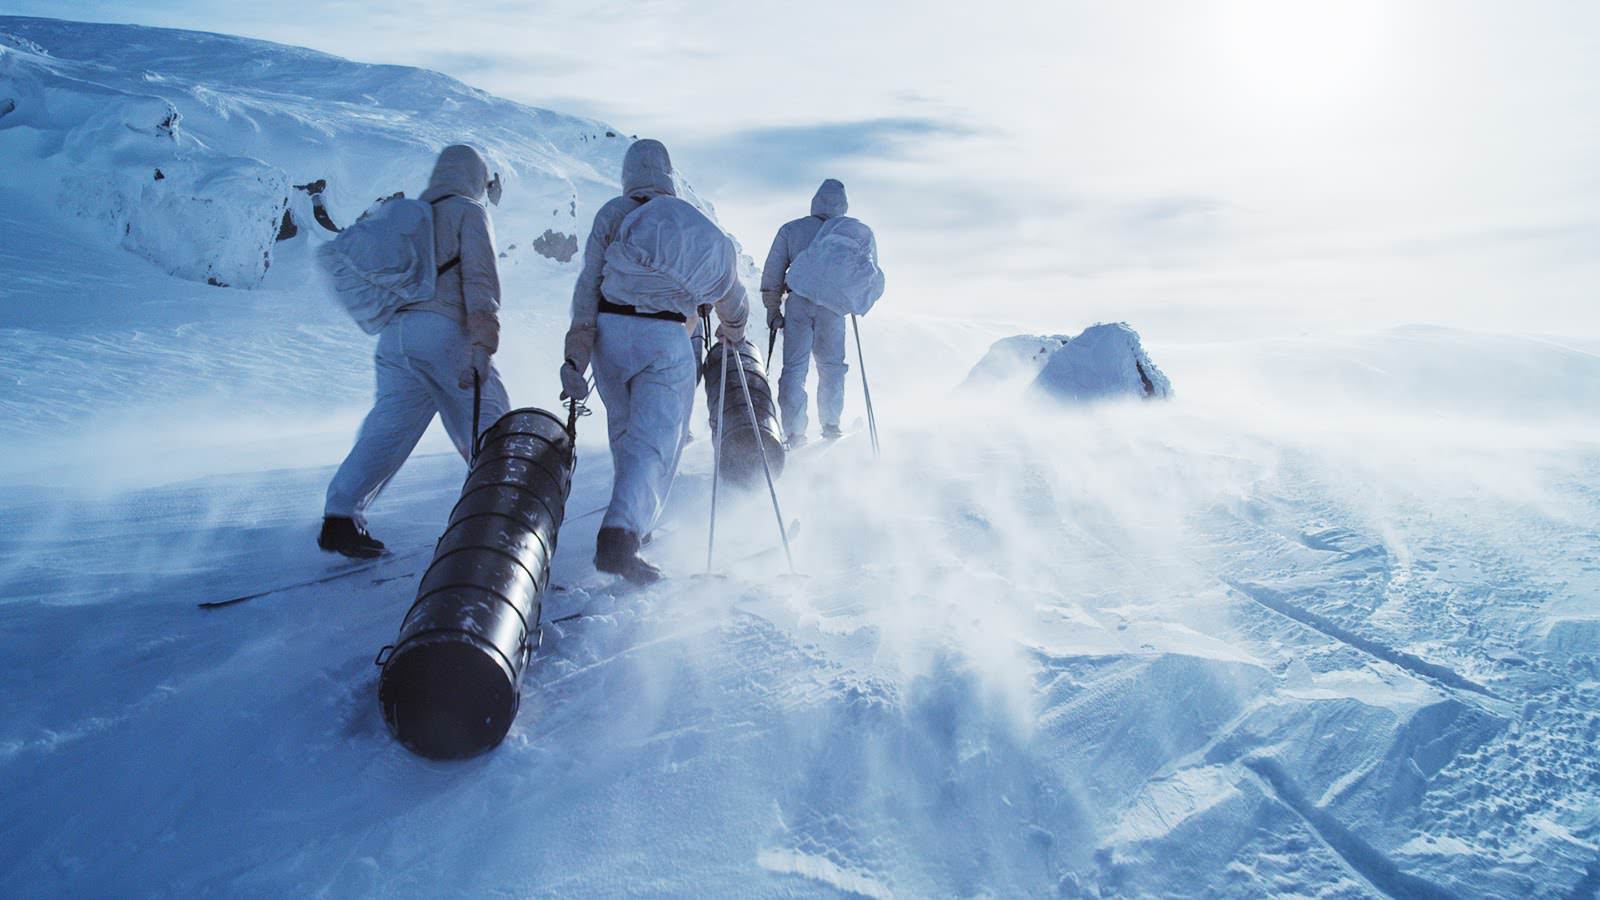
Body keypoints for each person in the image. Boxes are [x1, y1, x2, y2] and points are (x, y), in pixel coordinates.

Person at [559, 139, 748, 583]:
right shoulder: (689, 223)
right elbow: (727, 289)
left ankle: (633, 527)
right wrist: (734, 329)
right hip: (664, 336)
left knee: (625, 433)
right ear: (668, 173)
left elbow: (588, 285)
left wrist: (576, 355)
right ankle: (622, 534)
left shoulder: (612, 213)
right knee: (657, 442)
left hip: (608, 335)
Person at [319, 144, 509, 558]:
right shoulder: (468, 211)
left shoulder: (408, 216)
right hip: (444, 331)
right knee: (490, 420)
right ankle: (504, 517)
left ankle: (340, 516)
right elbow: (479, 281)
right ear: (477, 177)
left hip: (395, 334)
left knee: (387, 429)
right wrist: (483, 342)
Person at [762, 179, 849, 447]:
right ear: (843, 204)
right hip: (833, 306)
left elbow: (774, 270)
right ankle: (831, 424)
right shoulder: (847, 232)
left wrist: (772, 308)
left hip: (799, 302)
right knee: (832, 367)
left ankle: (794, 432)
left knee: (795, 368)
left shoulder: (792, 229)